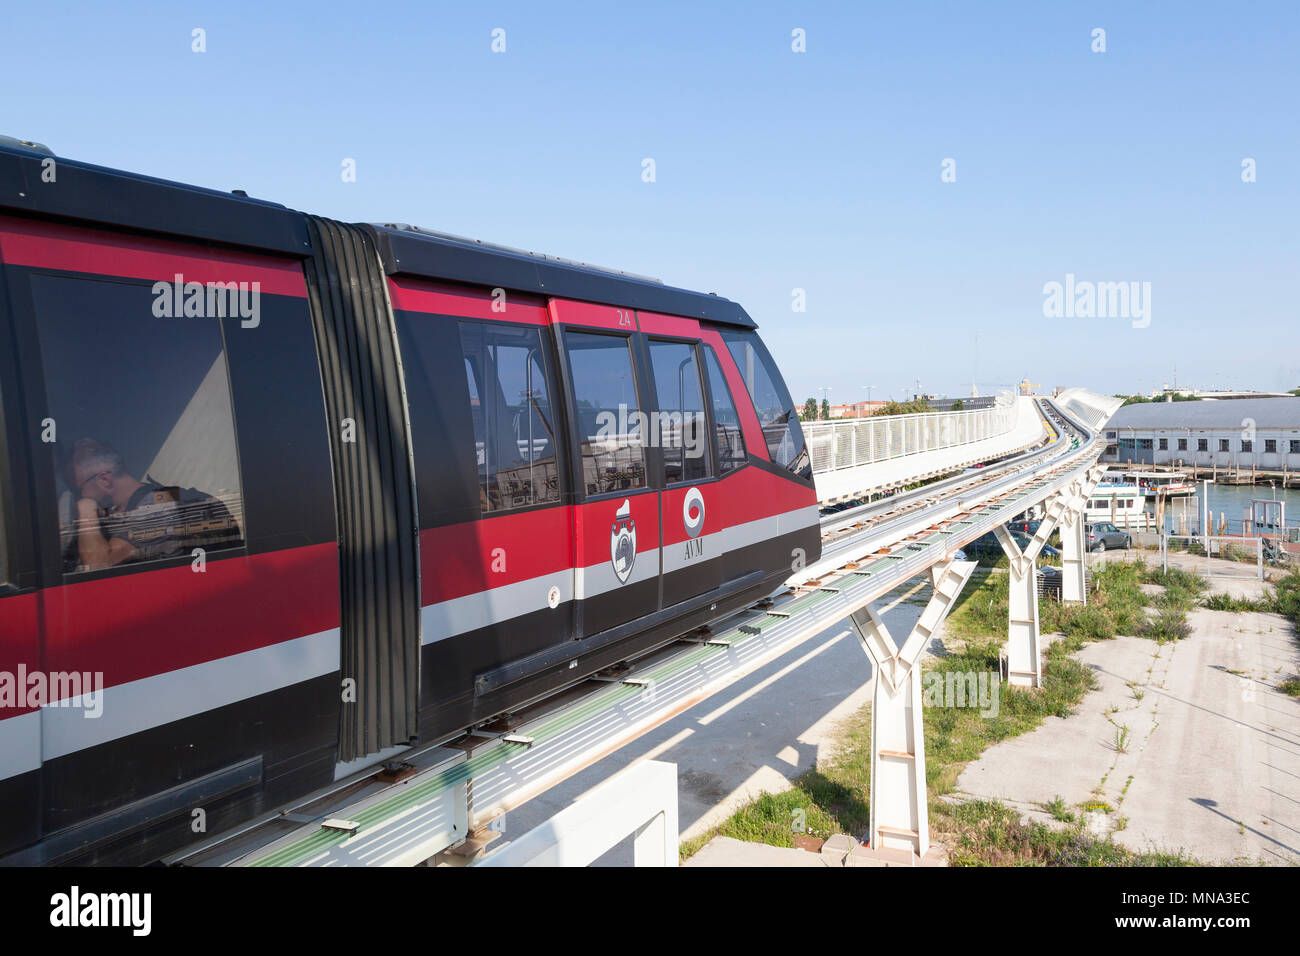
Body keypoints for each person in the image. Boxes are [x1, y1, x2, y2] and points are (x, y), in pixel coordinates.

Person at [69, 438, 240, 571]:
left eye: (79, 489)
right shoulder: (139, 505)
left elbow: (99, 567)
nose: (79, 496)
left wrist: (85, 510)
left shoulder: (151, 509)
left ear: (105, 481)